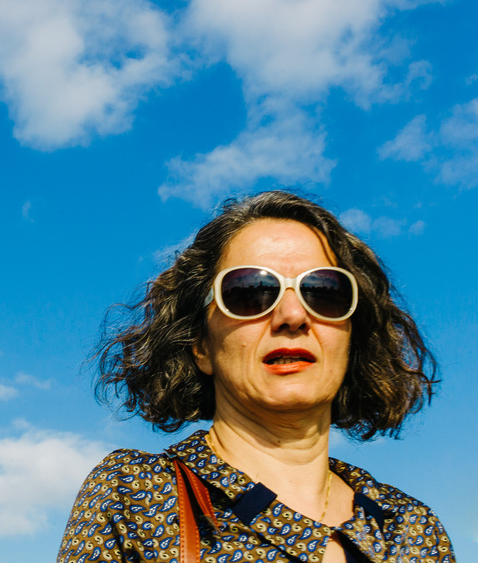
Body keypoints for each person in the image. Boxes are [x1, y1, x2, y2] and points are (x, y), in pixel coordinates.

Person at [58, 191, 454, 563]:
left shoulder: (409, 529)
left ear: (351, 336)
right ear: (200, 344)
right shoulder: (136, 494)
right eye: (250, 291)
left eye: (324, 291)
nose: (293, 317)